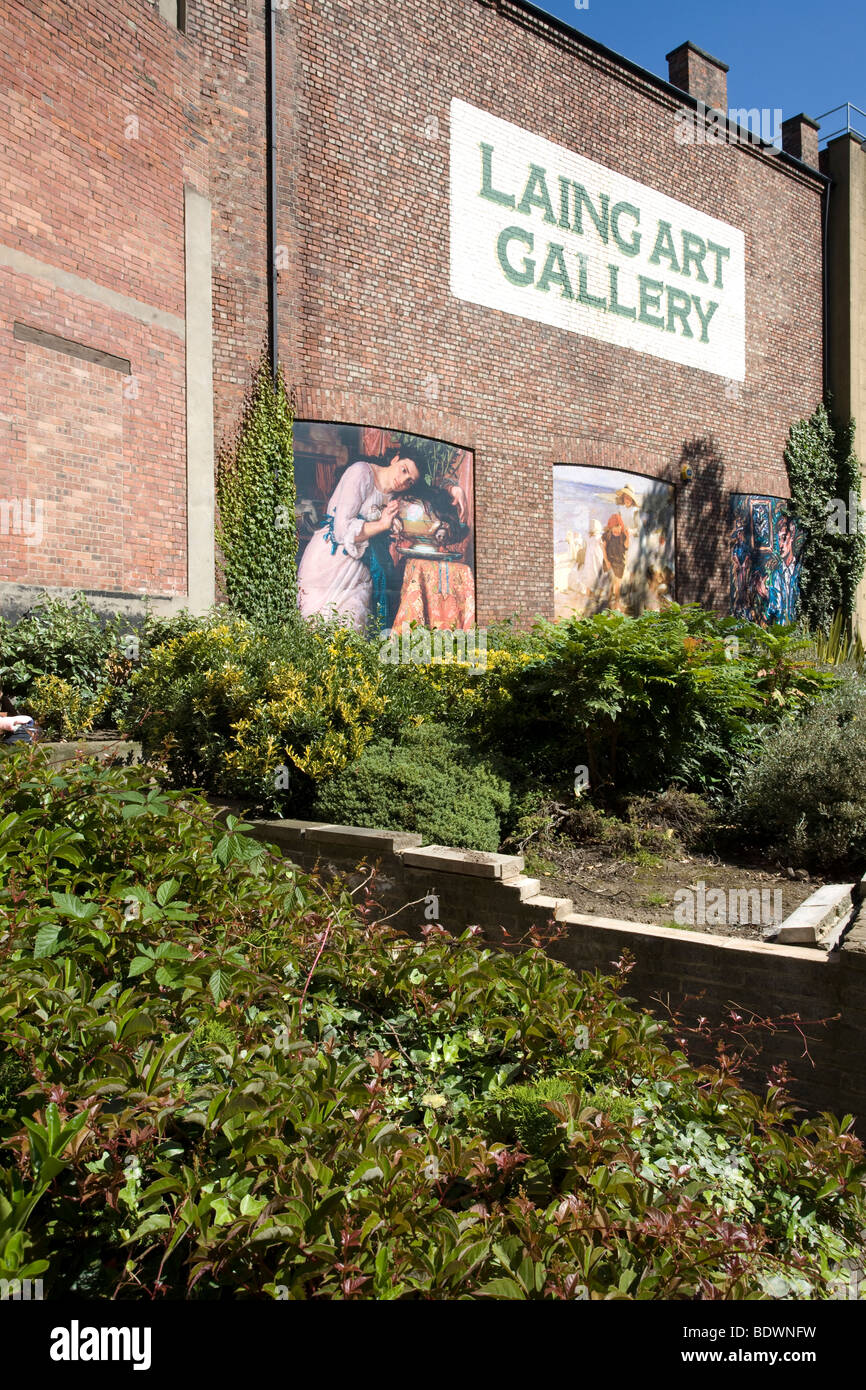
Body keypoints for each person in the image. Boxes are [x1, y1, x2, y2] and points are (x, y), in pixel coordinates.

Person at [297, 448, 420, 631]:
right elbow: (341, 531)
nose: (403, 481)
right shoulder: (361, 472)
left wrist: (453, 488)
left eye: (409, 481)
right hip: (328, 565)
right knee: (316, 630)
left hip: (359, 573)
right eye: (404, 470)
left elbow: (429, 492)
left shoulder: (396, 496)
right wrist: (381, 525)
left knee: (351, 638)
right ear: (395, 459)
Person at [601, 512, 630, 610]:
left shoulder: (623, 535)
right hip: (609, 561)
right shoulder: (607, 535)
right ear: (611, 527)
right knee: (610, 583)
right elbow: (603, 549)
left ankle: (616, 602)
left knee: (617, 584)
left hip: (620, 562)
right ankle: (609, 605)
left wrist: (628, 537)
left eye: (618, 527)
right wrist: (607, 561)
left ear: (621, 526)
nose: (616, 529)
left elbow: (626, 547)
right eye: (614, 527)